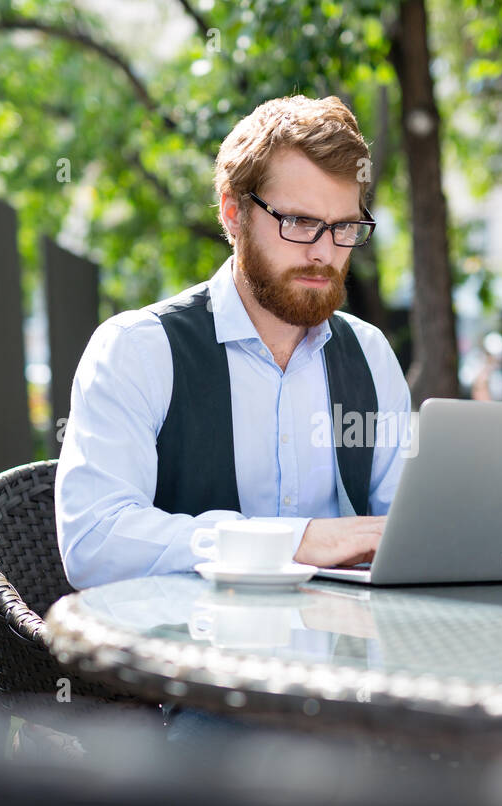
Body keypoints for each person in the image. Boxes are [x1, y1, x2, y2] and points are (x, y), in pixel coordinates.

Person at [55, 95, 412, 592]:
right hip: (181, 661)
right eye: (300, 222)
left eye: (344, 227)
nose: (324, 252)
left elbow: (406, 528)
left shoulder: (370, 355)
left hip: (344, 657)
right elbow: (93, 543)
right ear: (233, 214)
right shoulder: (137, 351)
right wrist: (293, 541)